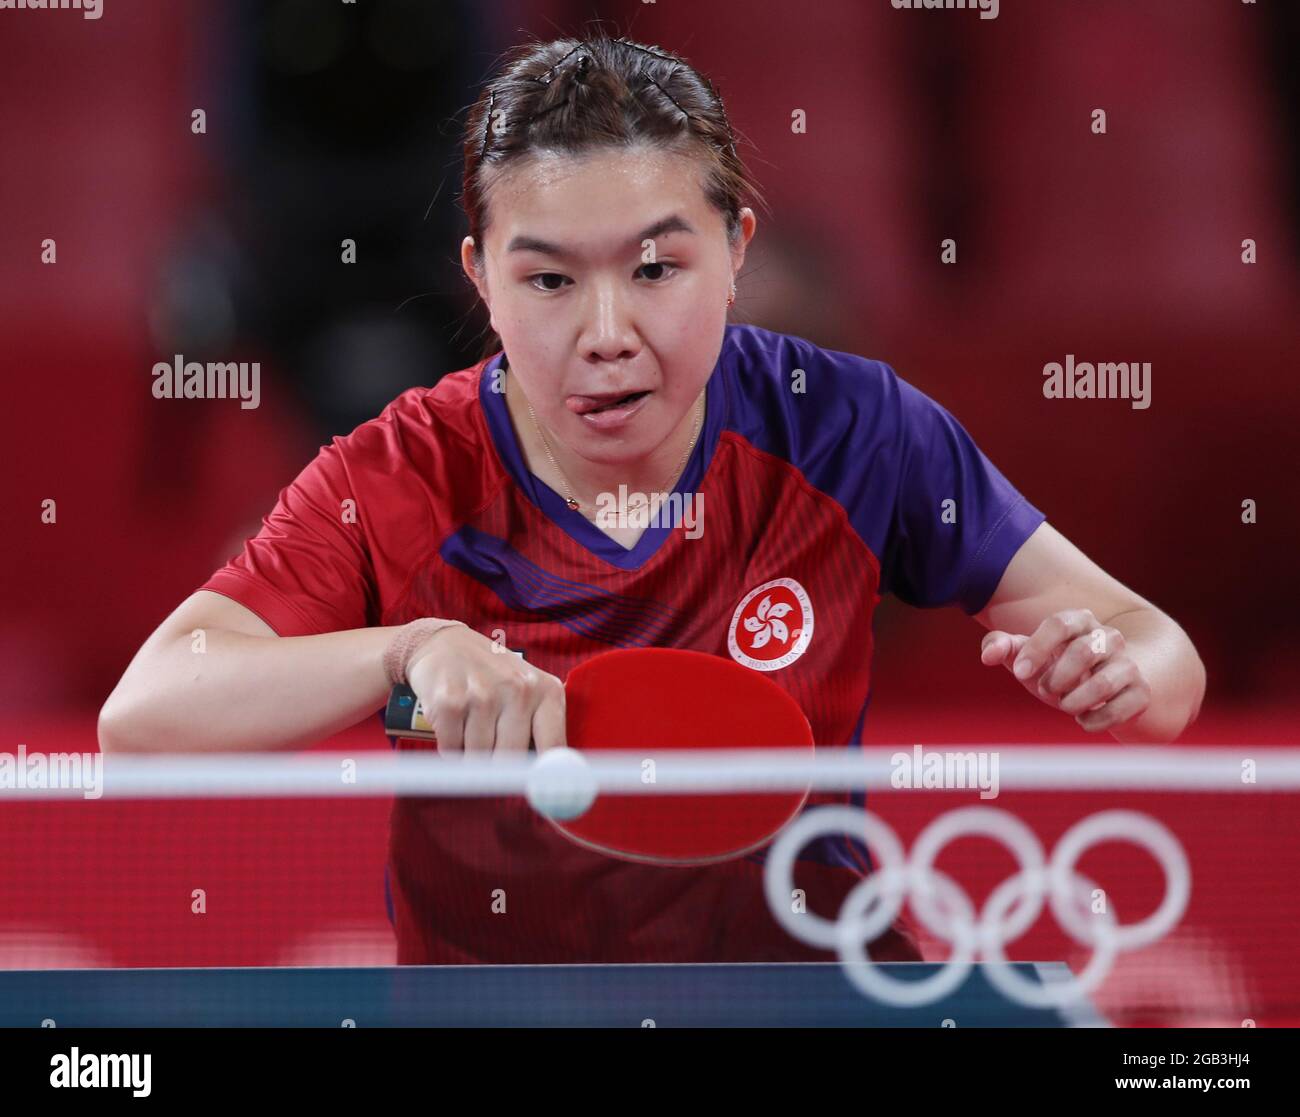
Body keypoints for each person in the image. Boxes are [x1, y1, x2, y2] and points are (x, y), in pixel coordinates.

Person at [99, 34, 1206, 965]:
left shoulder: (848, 428)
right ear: (478, 277)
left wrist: (1115, 670)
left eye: (656, 269)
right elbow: (144, 720)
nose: (606, 333)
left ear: (735, 252)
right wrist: (405, 650)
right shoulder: (403, 471)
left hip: (804, 1012)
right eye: (547, 280)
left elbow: (1162, 667)